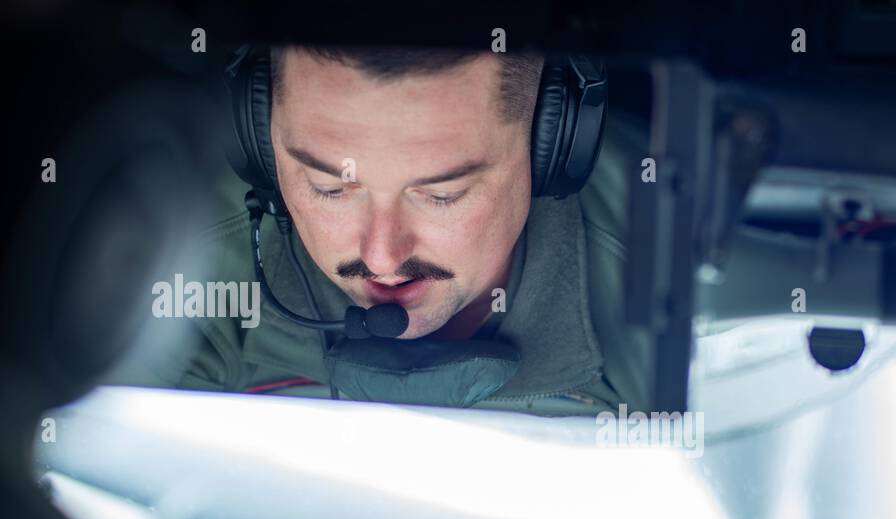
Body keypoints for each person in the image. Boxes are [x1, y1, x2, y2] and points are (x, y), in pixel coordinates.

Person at [116, 44, 650, 415]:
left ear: (553, 145)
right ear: (257, 141)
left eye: (442, 194)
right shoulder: (168, 261)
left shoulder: (685, 291)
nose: (382, 256)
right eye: (329, 186)